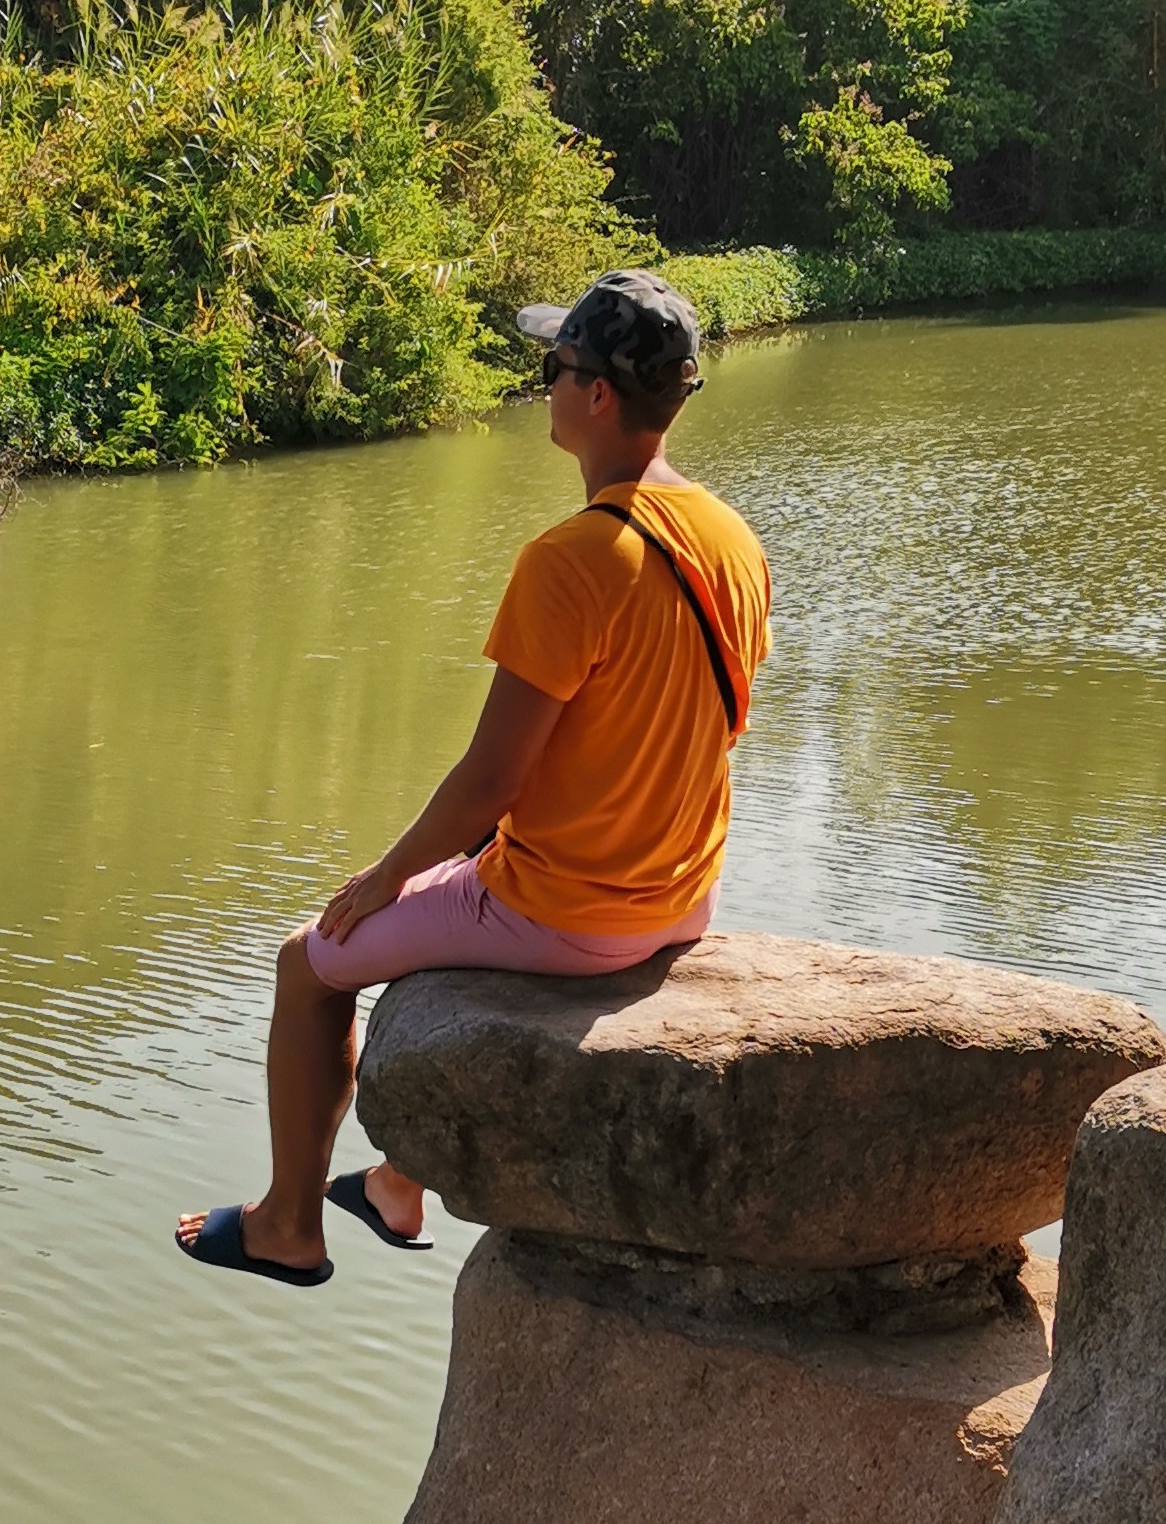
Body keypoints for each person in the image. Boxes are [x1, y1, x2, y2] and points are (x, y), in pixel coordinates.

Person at [176, 270, 771, 1285]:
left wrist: (377, 883)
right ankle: (397, 1185)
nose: (545, 383)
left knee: (306, 963)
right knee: (433, 899)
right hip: (681, 896)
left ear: (595, 397)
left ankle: (286, 1224)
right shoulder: (731, 538)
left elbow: (489, 779)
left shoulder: (574, 558)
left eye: (557, 366)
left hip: (572, 908)